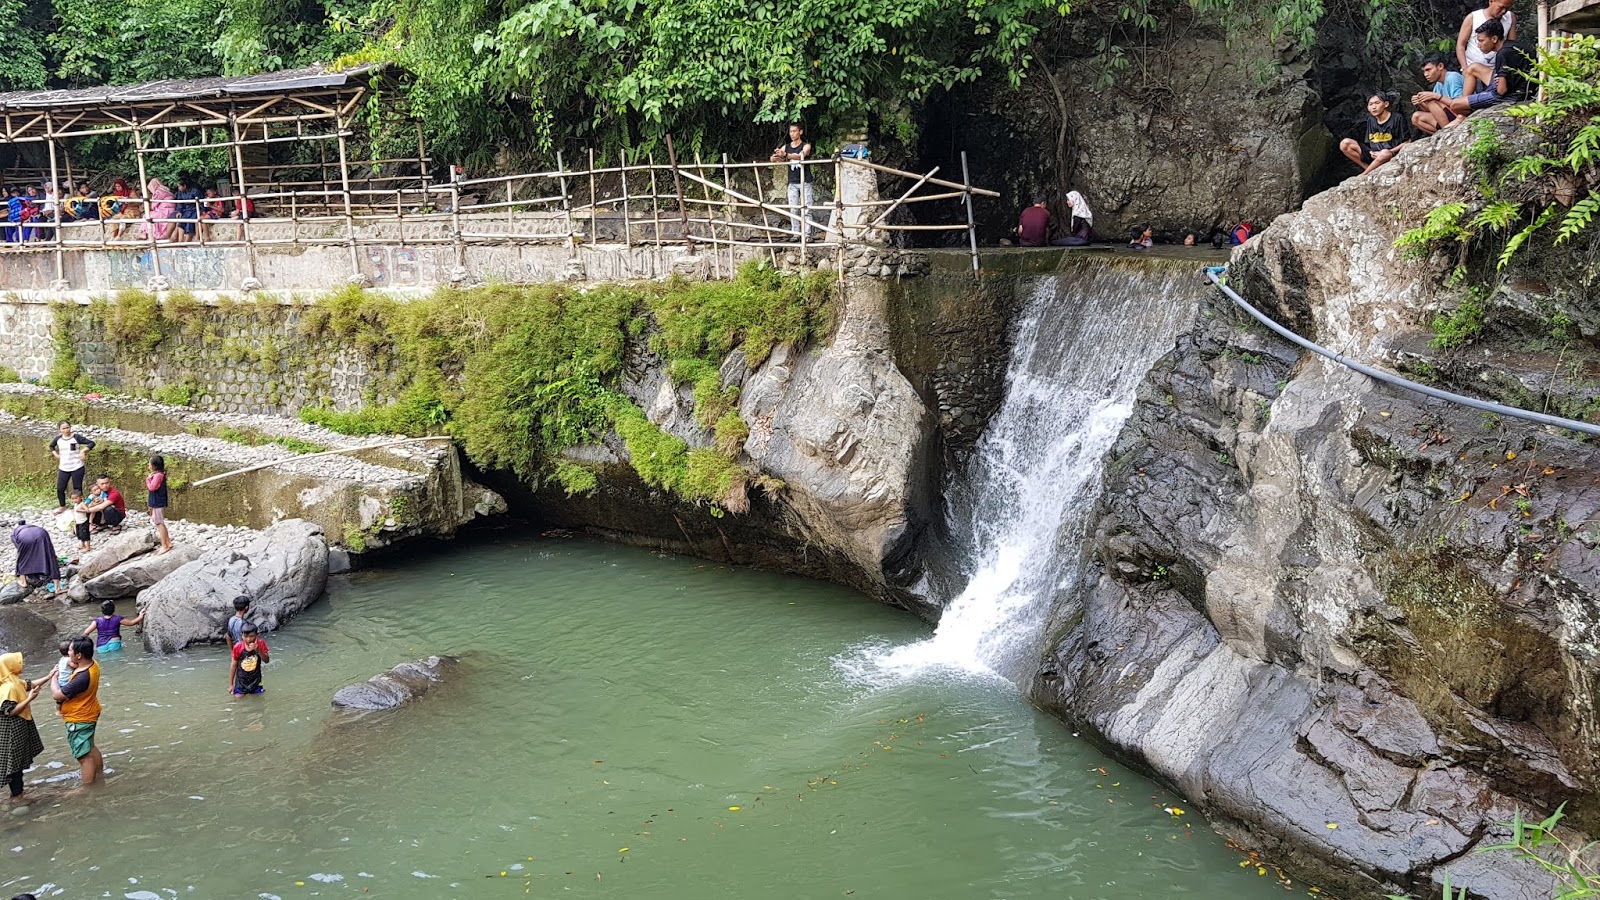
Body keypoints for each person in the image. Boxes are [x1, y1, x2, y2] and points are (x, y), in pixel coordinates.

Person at [50, 636, 103, 787]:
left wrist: (53, 678)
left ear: (79, 655)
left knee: (83, 756)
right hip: (90, 712)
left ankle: (88, 788)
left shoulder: (81, 678)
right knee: (90, 747)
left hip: (79, 718)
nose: (69, 652)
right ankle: (99, 776)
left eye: (71, 650)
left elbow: (57, 695)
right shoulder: (93, 665)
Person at [0, 652, 45, 805]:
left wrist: (50, 676)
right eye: (18, 662)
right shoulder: (9, 687)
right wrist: (30, 698)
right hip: (13, 729)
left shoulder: (12, 681)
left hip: (18, 727)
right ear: (10, 666)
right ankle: (17, 796)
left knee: (16, 762)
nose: (21, 664)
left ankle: (18, 794)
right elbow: (11, 711)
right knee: (14, 764)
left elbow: (29, 684)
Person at [1340, 92, 1411, 174]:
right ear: (1367, 107)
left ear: (1386, 104)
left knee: (1385, 153)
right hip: (1374, 154)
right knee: (1345, 143)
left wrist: (1391, 151)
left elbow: (1407, 142)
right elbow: (1370, 141)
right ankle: (1369, 169)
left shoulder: (1397, 118)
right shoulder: (1371, 120)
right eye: (1371, 104)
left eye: (1377, 103)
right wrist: (1371, 152)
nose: (1374, 107)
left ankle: (1364, 175)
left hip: (1389, 153)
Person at [1456, 0, 1516, 95]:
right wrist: (1464, 68)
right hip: (1472, 71)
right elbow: (1460, 45)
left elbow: (1512, 46)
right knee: (1469, 101)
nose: (1504, 11)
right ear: (1491, 1)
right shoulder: (1473, 17)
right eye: (1501, 7)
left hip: (1496, 72)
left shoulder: (1510, 17)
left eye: (1507, 8)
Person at [770, 123, 814, 239]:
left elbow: (802, 155)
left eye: (795, 131)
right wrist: (776, 156)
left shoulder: (806, 146)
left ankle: (807, 234)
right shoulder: (786, 146)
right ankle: (796, 234)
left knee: (807, 208)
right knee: (793, 209)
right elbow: (773, 158)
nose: (792, 134)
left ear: (800, 132)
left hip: (805, 181)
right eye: (790, 131)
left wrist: (786, 155)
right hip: (792, 182)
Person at [1411, 53, 1467, 134]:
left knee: (1431, 101)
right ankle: (1443, 133)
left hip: (1461, 115)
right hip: (1449, 117)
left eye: (1428, 70)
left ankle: (1447, 133)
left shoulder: (1452, 77)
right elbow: (1434, 111)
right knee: (1416, 118)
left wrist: (1436, 96)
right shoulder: (1438, 85)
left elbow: (1460, 104)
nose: (1426, 74)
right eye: (1424, 71)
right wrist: (1420, 102)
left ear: (1440, 66)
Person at [49, 420, 93, 512]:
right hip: (64, 467)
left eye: (67, 428)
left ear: (70, 427)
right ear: (60, 430)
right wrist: (55, 454)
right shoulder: (58, 439)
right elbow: (51, 446)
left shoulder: (76, 437)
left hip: (77, 466)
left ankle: (77, 506)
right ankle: (62, 506)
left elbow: (91, 443)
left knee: (77, 488)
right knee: (60, 488)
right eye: (63, 428)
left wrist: (83, 451)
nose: (66, 430)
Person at [10, 521, 60, 594]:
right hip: (42, 533)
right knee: (50, 556)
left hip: (24, 537)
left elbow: (20, 549)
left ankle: (23, 582)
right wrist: (54, 557)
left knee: (22, 557)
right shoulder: (32, 526)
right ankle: (57, 588)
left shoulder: (15, 532)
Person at [229, 623, 269, 696]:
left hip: (256, 680)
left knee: (257, 702)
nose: (248, 639)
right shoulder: (238, 646)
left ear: (256, 635)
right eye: (245, 636)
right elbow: (233, 665)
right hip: (241, 680)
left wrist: (259, 650)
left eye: (251, 636)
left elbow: (266, 660)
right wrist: (231, 684)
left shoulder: (261, 643)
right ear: (242, 635)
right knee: (238, 702)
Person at [147, 455, 172, 554]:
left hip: (158, 502)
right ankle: (168, 542)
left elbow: (152, 487)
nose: (148, 465)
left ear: (154, 465)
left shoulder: (158, 476)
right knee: (161, 522)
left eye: (149, 463)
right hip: (158, 502)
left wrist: (148, 480)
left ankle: (164, 545)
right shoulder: (160, 474)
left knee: (159, 523)